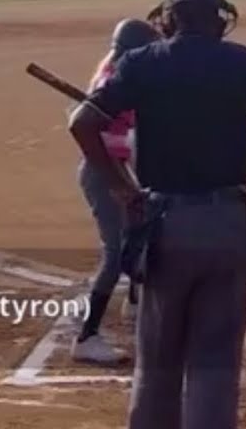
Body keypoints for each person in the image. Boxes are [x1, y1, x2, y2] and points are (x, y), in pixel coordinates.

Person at [68, 0, 246, 429]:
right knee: (214, 367)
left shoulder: (141, 62)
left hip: (165, 225)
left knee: (158, 363)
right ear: (219, 20)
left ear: (168, 20)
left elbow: (83, 122)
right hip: (227, 224)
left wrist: (121, 186)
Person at [71, 18, 159, 365]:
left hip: (117, 167)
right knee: (116, 251)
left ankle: (135, 303)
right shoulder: (112, 79)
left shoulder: (118, 73)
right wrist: (117, 182)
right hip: (103, 172)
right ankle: (87, 336)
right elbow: (87, 130)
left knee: (141, 228)